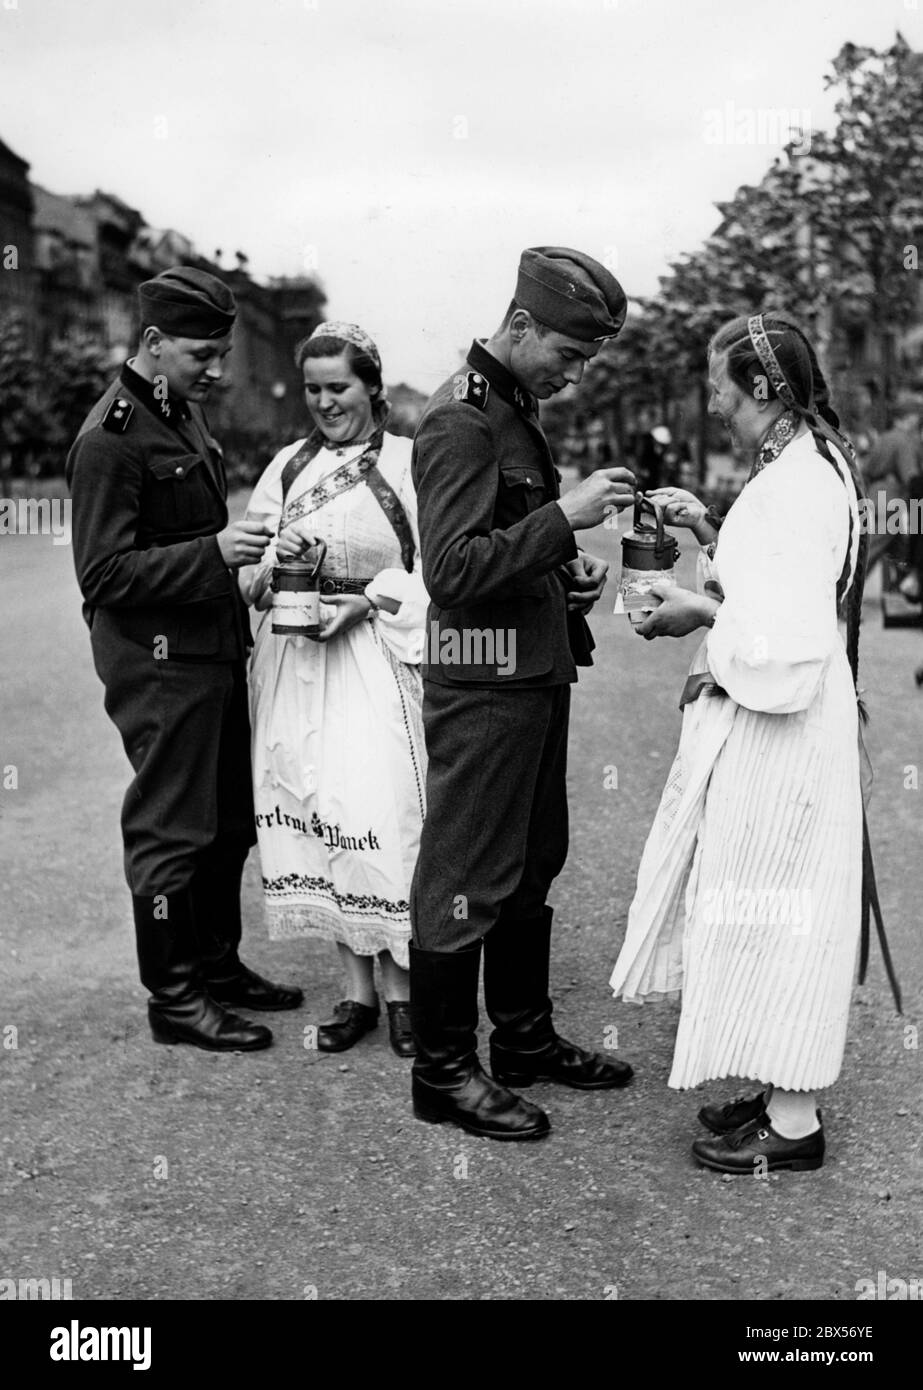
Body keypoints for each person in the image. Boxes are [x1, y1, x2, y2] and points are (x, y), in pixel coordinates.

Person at [610, 311, 898, 1173]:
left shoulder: (798, 483)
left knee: (782, 914)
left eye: (720, 391)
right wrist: (707, 531)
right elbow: (777, 590)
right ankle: (779, 1089)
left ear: (765, 391)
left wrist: (698, 612)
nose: (713, 406)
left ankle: (796, 1125)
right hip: (780, 731)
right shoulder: (798, 467)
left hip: (785, 733)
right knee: (758, 907)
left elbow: (793, 646)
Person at [409, 246, 637, 1142]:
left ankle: (523, 1039)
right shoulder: (459, 421)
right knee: (465, 874)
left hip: (531, 671)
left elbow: (503, 544)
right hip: (483, 685)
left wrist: (563, 568)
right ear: (520, 325)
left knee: (532, 860)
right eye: (568, 357)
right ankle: (443, 1072)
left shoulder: (511, 407)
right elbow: (454, 572)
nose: (574, 377)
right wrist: (563, 517)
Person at [65, 267, 303, 1052]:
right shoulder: (112, 437)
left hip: (209, 648)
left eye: (223, 353)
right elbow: (101, 576)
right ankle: (173, 998)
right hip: (158, 663)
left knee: (228, 818)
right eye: (202, 353)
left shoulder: (179, 414)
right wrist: (214, 552)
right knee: (172, 827)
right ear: (154, 343)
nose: (217, 370)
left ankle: (215, 963)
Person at [239, 323, 427, 1057]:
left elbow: (439, 569)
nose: (324, 401)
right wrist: (273, 559)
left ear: (372, 387)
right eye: (313, 388)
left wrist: (372, 599)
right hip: (296, 663)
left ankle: (404, 994)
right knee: (312, 810)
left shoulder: (409, 466)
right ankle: (354, 993)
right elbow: (251, 580)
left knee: (380, 810)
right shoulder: (286, 467)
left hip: (373, 653)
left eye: (338, 387)